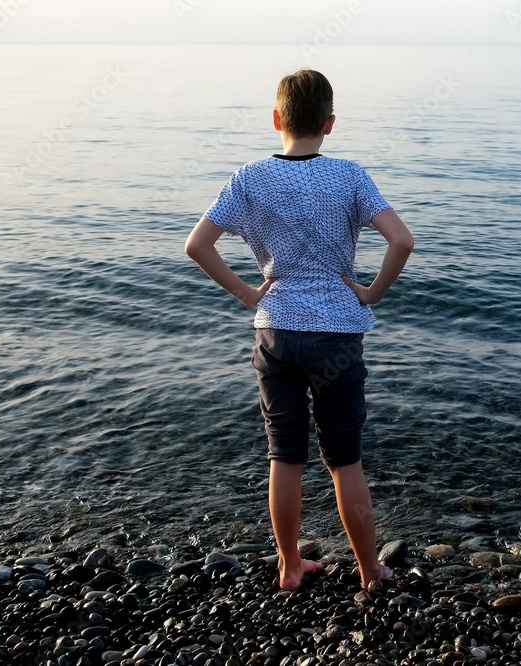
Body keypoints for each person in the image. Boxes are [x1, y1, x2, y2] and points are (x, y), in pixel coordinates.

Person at [184, 69, 414, 590]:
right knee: (344, 459)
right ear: (330, 124)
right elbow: (402, 241)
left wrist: (247, 293)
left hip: (277, 334)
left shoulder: (248, 178)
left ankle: (289, 566)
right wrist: (372, 292)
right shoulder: (351, 176)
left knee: (284, 454)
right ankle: (369, 571)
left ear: (275, 119)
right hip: (336, 335)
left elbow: (197, 245)